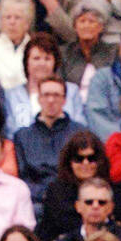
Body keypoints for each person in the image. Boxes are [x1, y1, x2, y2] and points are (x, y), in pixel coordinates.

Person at [13, 78, 81, 215]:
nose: (51, 100)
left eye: (56, 95)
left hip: (71, 199)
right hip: (36, 200)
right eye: (46, 95)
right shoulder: (23, 136)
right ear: (39, 99)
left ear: (65, 100)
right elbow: (22, 176)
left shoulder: (79, 133)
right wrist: (45, 193)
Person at [2, 32, 86, 137]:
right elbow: (10, 132)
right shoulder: (11, 95)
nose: (42, 64)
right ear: (26, 62)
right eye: (36, 58)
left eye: (47, 58)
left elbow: (80, 128)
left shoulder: (71, 91)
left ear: (55, 62)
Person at [35, 131, 110, 241]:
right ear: (69, 162)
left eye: (91, 158)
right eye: (79, 158)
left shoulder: (111, 189)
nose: (85, 163)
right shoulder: (56, 192)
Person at [59, 4, 116, 104]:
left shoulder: (112, 52)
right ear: (75, 27)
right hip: (71, 103)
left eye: (91, 21)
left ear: (100, 27)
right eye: (82, 21)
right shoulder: (64, 53)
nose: (86, 26)